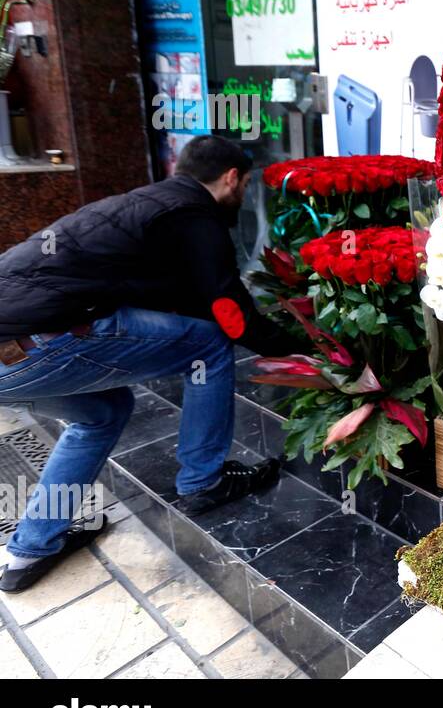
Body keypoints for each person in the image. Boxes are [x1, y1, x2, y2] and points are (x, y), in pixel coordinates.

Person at [0, 135, 302, 592]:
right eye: (243, 187)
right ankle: (204, 479)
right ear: (232, 178)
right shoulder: (194, 214)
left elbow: (177, 292)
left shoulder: (147, 204)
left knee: (103, 413)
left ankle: (29, 551)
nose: (242, 197)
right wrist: (298, 348)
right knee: (210, 345)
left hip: (14, 351)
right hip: (35, 341)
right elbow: (229, 314)